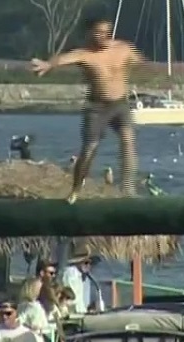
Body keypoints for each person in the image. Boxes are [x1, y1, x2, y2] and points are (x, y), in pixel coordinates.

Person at [31, 15, 145, 202]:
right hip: (97, 107)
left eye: (107, 32)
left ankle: (128, 186)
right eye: (99, 32)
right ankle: (76, 189)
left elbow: (141, 62)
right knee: (90, 148)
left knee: (128, 140)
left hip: (120, 104)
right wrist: (47, 65)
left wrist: (154, 70)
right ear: (91, 33)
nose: (103, 36)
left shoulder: (123, 49)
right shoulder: (85, 54)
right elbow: (63, 59)